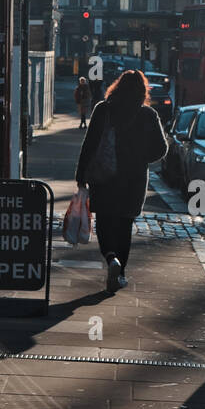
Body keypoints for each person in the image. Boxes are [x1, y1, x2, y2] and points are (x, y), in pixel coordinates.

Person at [75, 69, 167, 293]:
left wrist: (81, 176)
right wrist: (141, 158)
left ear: (117, 86)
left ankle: (110, 258)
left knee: (105, 222)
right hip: (133, 180)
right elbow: (162, 149)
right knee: (124, 225)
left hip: (104, 176)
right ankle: (121, 273)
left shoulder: (103, 109)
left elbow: (90, 145)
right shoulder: (148, 115)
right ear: (142, 90)